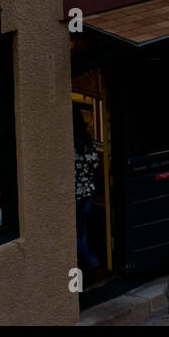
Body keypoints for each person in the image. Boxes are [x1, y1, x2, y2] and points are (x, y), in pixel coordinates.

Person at [72, 105, 100, 270]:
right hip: (87, 191)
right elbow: (95, 163)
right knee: (82, 229)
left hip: (74, 193)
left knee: (74, 230)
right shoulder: (86, 140)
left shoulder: (67, 142)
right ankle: (87, 258)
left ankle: (86, 260)